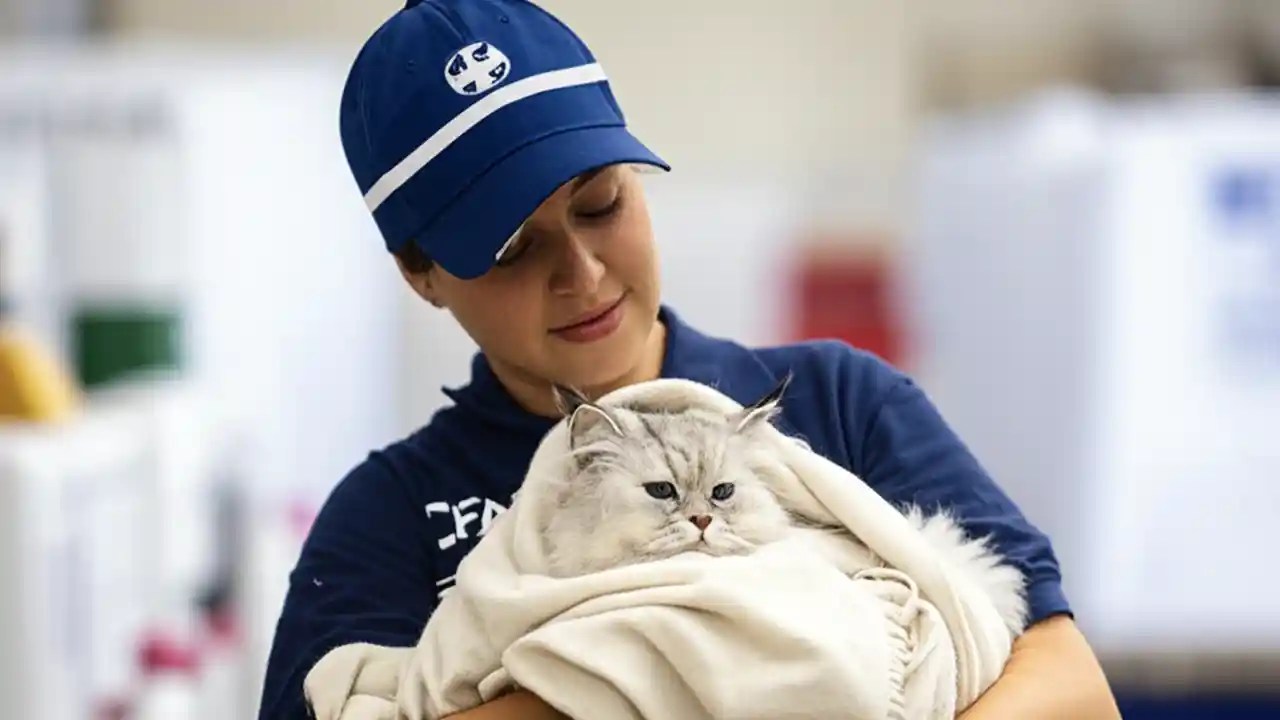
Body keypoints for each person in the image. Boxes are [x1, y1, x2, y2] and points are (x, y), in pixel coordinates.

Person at [258, 1, 1120, 718]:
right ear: (422, 274)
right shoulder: (387, 518)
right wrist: (692, 668)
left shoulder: (842, 403)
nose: (584, 275)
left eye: (601, 204)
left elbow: (1072, 688)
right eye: (515, 249)